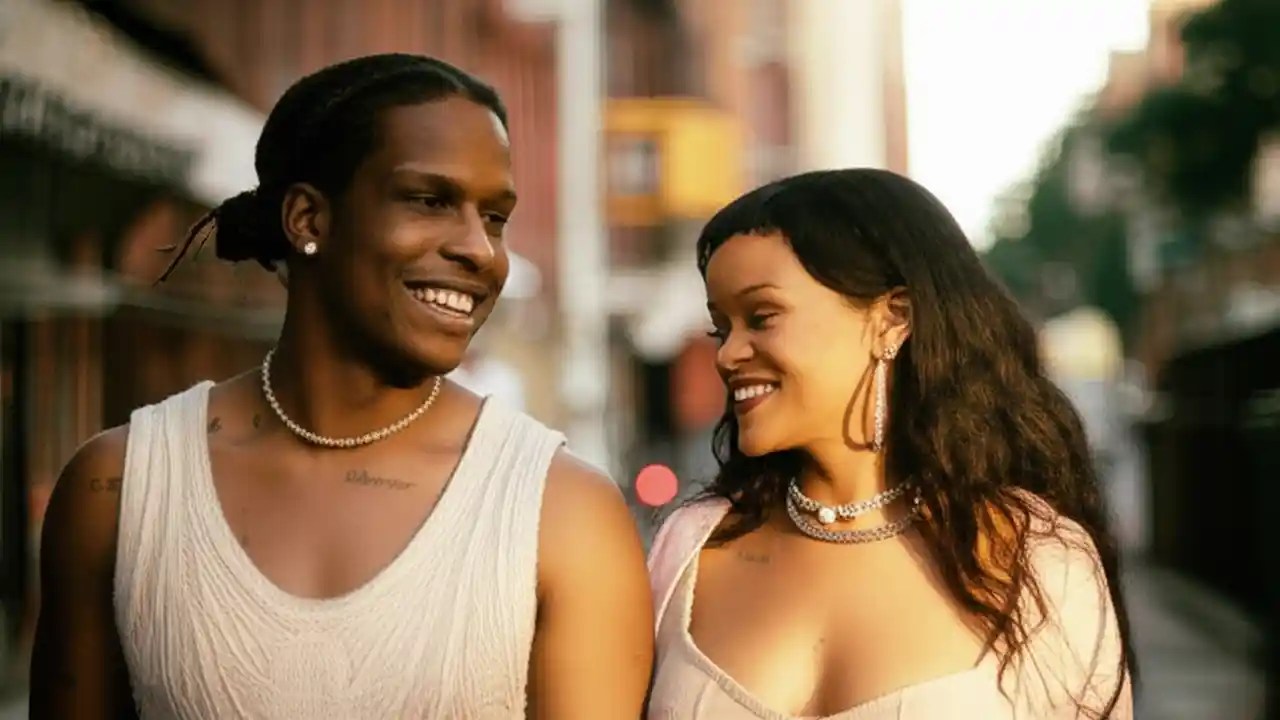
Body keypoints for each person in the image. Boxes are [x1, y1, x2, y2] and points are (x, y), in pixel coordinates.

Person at [29, 53, 653, 719]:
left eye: (494, 217)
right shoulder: (122, 489)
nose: (480, 249)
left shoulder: (561, 513)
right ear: (309, 220)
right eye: (429, 200)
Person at [645, 169, 1134, 719]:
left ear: (892, 318)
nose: (727, 354)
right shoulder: (688, 548)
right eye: (721, 327)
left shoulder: (1039, 561)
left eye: (761, 317)